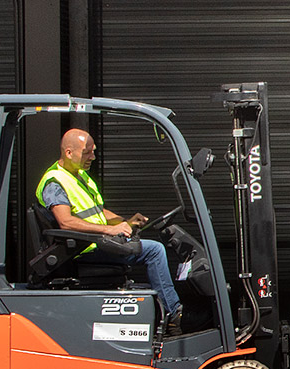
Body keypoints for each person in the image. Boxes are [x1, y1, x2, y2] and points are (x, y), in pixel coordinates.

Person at [39, 129, 183, 323]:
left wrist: (125, 222)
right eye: (87, 153)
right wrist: (110, 229)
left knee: (147, 245)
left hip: (96, 242)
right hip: (83, 250)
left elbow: (97, 211)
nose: (93, 157)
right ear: (69, 153)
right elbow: (66, 222)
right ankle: (174, 315)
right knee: (154, 251)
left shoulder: (79, 175)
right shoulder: (55, 182)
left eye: (93, 151)